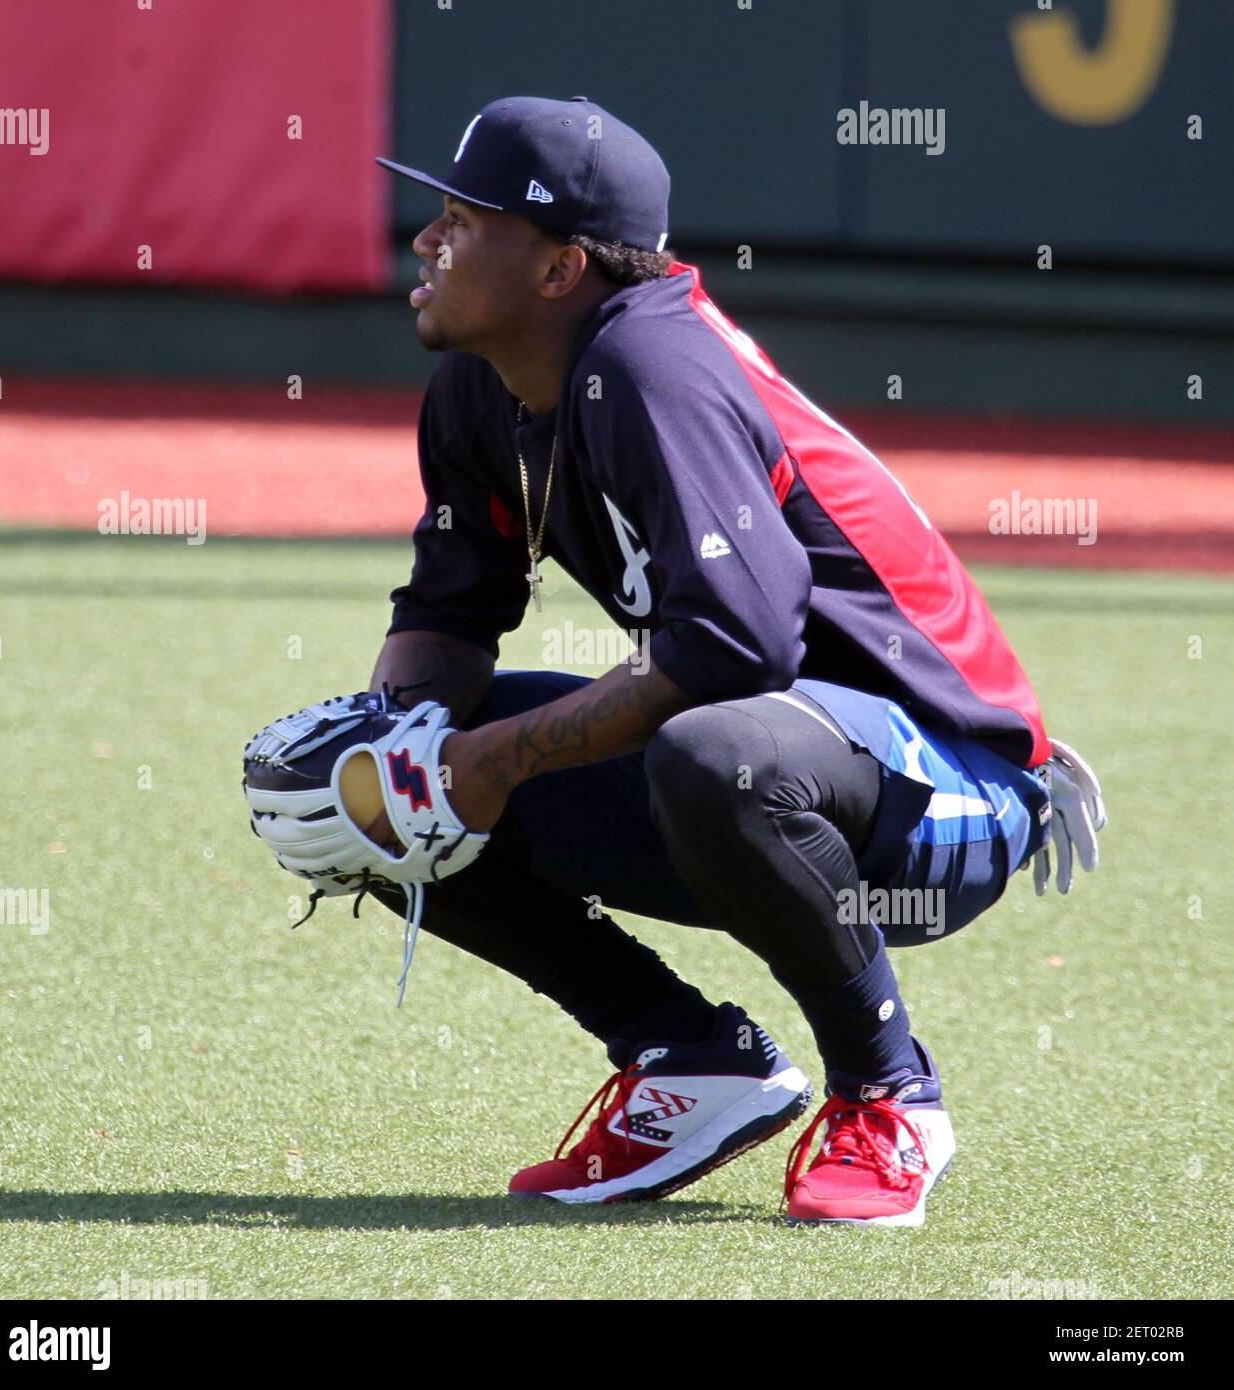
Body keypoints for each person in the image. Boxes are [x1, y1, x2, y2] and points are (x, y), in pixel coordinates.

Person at [364, 95, 1104, 1225]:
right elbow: (451, 614)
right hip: (782, 755)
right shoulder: (483, 384)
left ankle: (889, 1091)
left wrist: (494, 762)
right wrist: (394, 756)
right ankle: (691, 1060)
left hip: (959, 787)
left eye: (464, 217)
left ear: (561, 267)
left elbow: (731, 646)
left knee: (717, 755)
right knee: (378, 776)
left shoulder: (653, 364)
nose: (428, 237)